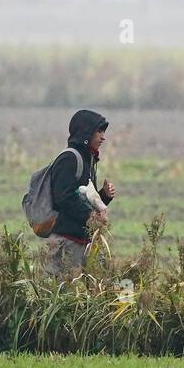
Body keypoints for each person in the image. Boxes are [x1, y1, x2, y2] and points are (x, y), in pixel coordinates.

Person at [45, 109, 117, 278]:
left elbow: (83, 199)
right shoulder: (69, 159)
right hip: (66, 242)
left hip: (82, 242)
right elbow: (64, 197)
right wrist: (92, 215)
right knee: (62, 295)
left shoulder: (87, 161)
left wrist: (104, 196)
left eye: (103, 131)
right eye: (99, 131)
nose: (103, 137)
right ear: (86, 132)